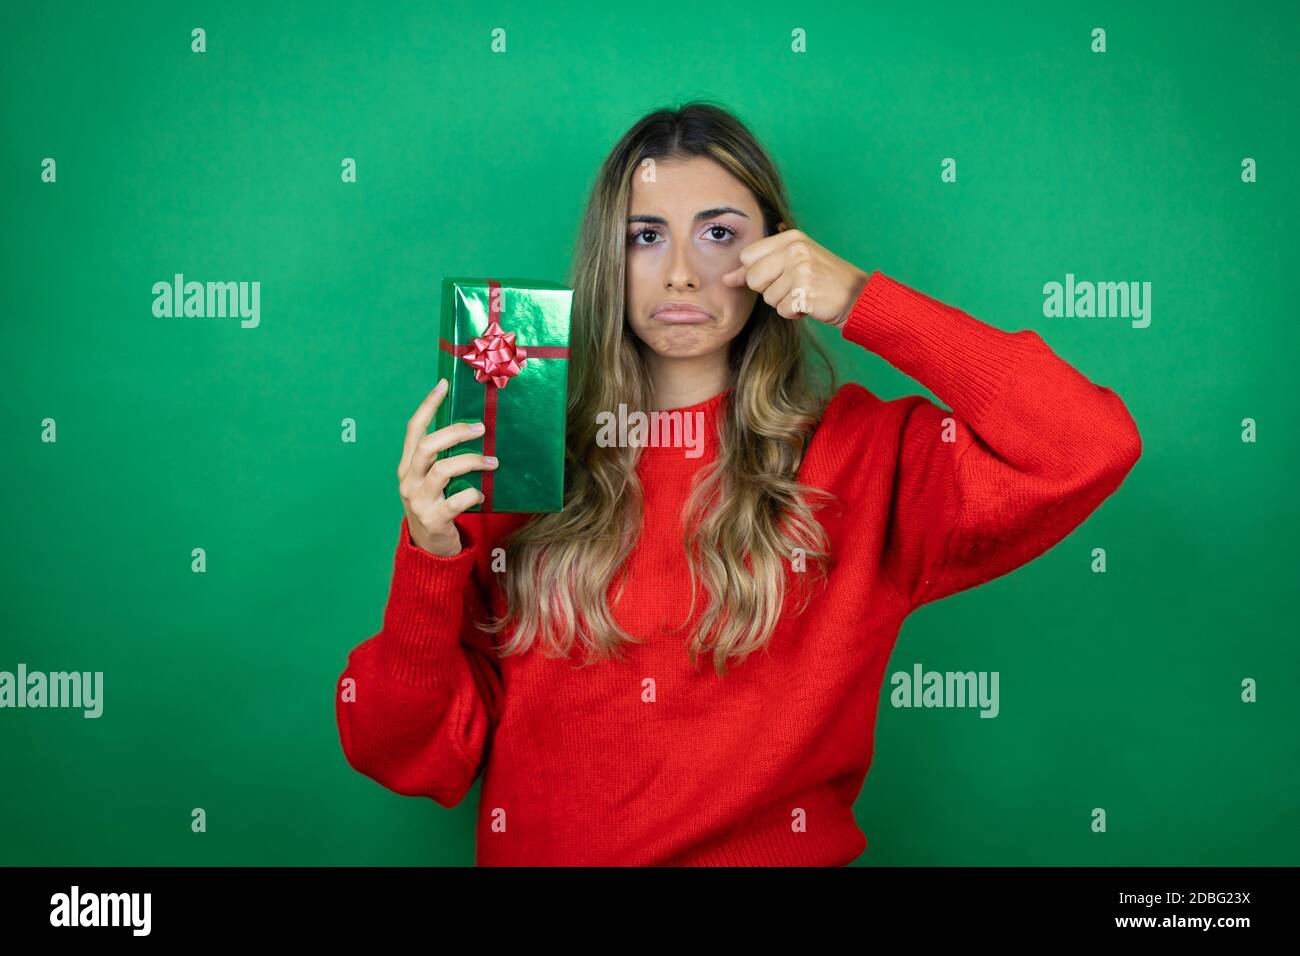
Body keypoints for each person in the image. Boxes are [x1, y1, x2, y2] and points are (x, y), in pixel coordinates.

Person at [334, 101, 1142, 866]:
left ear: (778, 253)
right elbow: (406, 755)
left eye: (718, 233)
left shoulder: (860, 455)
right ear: (606, 263)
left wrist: (863, 300)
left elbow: (1089, 443)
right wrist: (430, 555)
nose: (681, 272)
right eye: (645, 236)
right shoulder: (523, 449)